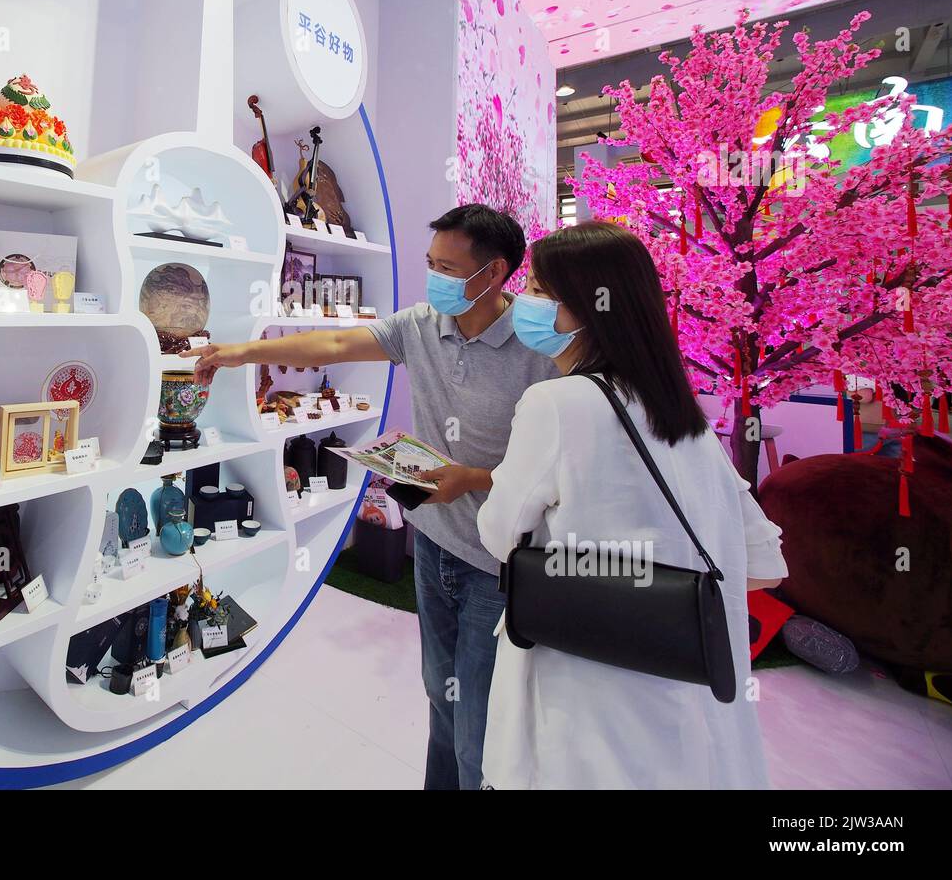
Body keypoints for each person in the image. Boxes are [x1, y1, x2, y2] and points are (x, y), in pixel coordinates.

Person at [183, 204, 558, 790]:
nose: (433, 279)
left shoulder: (538, 350)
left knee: (478, 721)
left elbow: (555, 468)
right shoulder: (420, 325)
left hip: (500, 561)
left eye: (447, 268)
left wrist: (476, 479)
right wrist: (240, 353)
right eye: (429, 263)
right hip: (434, 544)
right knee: (442, 695)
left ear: (494, 273)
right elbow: (333, 343)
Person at [476, 222, 788, 789]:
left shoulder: (558, 403)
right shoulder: (680, 411)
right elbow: (762, 562)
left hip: (586, 690)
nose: (527, 303)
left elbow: (501, 536)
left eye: (542, 292)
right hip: (688, 702)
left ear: (588, 307)